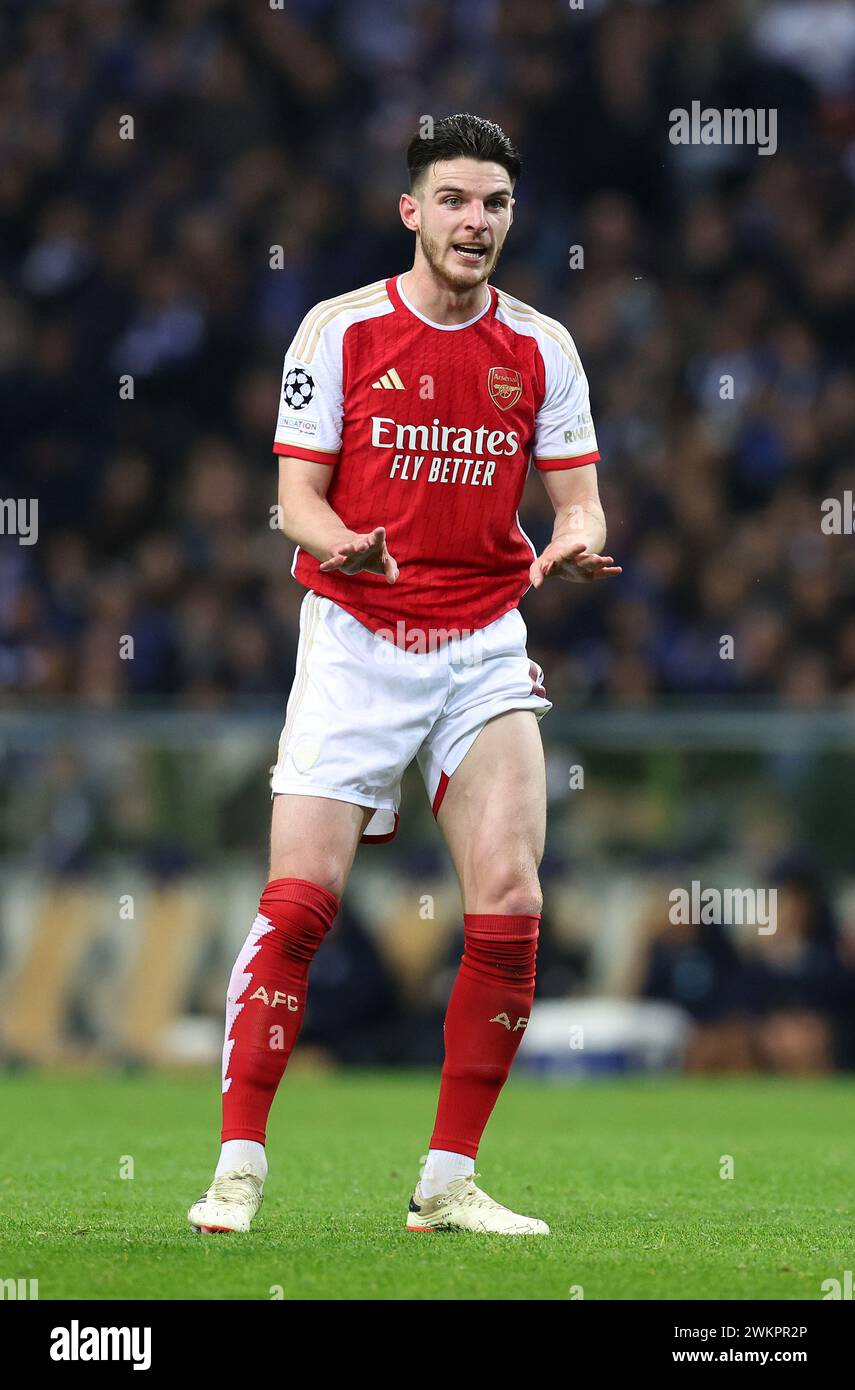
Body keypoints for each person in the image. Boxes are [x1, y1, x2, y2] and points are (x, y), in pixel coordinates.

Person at [188, 113, 620, 1238]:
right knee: (303, 900)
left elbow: (579, 500)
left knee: (513, 893)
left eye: (494, 205)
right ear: (411, 212)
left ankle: (448, 1177)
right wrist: (341, 545)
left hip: (480, 637)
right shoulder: (336, 333)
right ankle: (237, 1164)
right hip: (355, 632)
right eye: (455, 201)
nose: (474, 222)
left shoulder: (539, 349)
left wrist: (573, 537)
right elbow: (295, 499)